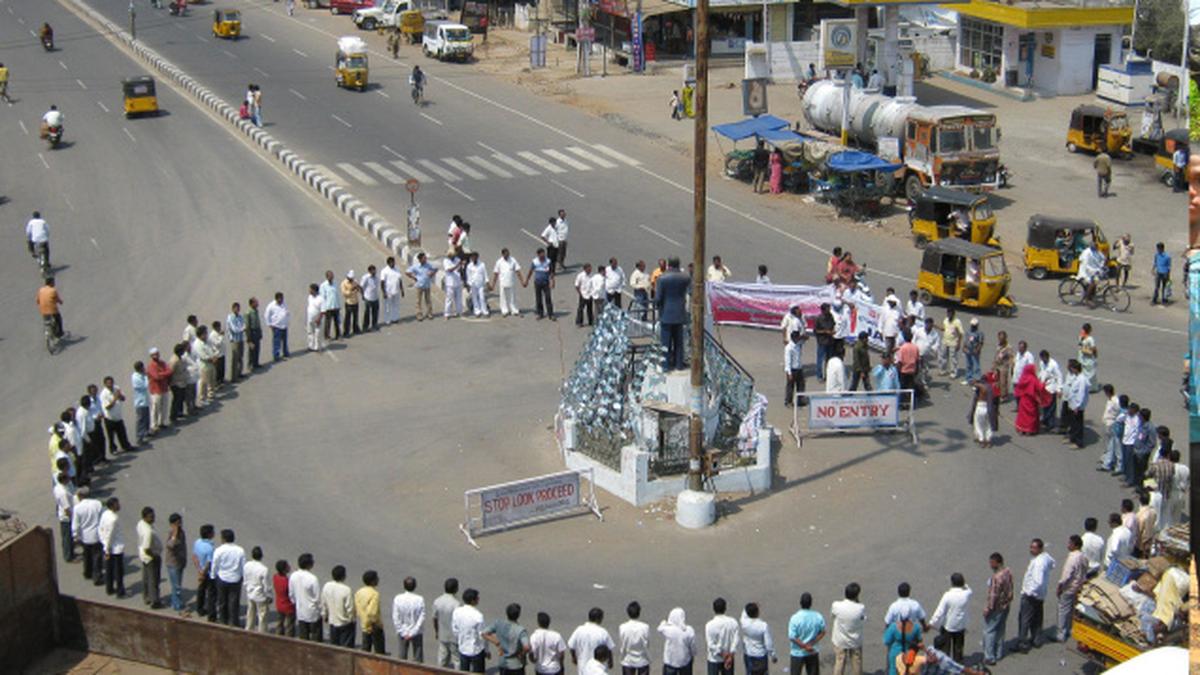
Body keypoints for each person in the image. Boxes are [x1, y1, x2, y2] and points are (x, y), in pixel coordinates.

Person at [1016, 538, 1056, 652]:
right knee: (1037, 619)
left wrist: (1028, 592)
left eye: (1034, 548)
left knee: (1024, 620)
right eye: (1031, 547)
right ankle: (1036, 640)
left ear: (1040, 549)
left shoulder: (1038, 563)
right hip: (1041, 595)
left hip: (1031, 596)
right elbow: (1053, 564)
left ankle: (1022, 643)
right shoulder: (1046, 557)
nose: (1031, 549)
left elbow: (1037, 582)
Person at [929, 574, 971, 663]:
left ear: (952, 583)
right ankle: (958, 664)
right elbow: (968, 588)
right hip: (960, 625)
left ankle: (945, 664)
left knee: (945, 648)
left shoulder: (948, 595)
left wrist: (932, 623)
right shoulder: (967, 594)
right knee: (958, 647)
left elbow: (940, 611)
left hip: (948, 625)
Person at [656, 258, 689, 370]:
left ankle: (665, 365)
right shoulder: (685, 277)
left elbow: (658, 298)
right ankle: (679, 364)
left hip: (666, 314)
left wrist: (658, 308)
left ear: (669, 265)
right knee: (679, 342)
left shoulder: (662, 278)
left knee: (665, 342)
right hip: (680, 313)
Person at [1055, 535, 1088, 642]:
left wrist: (1060, 586)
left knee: (1063, 610)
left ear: (1075, 545)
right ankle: (1069, 629)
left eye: (1070, 543)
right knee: (1071, 610)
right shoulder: (1083, 557)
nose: (1068, 545)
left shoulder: (1072, 558)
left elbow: (1066, 576)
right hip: (1078, 587)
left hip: (1069, 588)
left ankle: (1061, 634)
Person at [981, 552, 1013, 666]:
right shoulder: (1008, 571)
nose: (990, 565)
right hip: (1005, 605)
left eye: (992, 562)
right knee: (1000, 629)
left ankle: (989, 657)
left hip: (996, 608)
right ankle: (998, 653)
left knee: (989, 631)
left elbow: (993, 595)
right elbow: (1011, 587)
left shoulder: (996, 577)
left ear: (998, 563)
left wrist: (988, 609)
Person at [210, 529, 245, 627]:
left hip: (222, 578)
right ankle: (233, 622)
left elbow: (215, 564)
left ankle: (223, 621)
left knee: (222, 601)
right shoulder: (240, 550)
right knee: (234, 602)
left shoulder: (219, 550)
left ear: (224, 539)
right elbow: (243, 566)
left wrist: (213, 576)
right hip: (235, 579)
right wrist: (243, 577)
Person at [484, 603, 532, 675]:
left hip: (503, 663)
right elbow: (526, 647)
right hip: (517, 665)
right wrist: (522, 654)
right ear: (518, 615)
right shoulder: (521, 630)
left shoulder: (498, 623)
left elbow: (484, 633)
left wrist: (496, 642)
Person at [829, 584, 865, 675]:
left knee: (839, 661)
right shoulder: (860, 608)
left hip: (840, 639)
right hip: (855, 640)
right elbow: (863, 618)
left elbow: (832, 615)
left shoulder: (836, 605)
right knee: (856, 663)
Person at [786, 593, 825, 675]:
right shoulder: (818, 616)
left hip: (797, 652)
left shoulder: (795, 618)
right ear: (811, 603)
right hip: (812, 651)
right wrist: (811, 644)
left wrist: (804, 646)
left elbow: (792, 637)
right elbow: (822, 632)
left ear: (800, 603)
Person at [72, 486, 104, 585]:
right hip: (96, 535)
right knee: (97, 557)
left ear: (80, 496)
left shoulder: (77, 508)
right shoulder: (97, 504)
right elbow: (102, 518)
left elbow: (75, 524)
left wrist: (75, 536)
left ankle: (87, 573)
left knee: (87, 556)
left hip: (85, 536)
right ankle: (97, 576)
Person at [452, 588, 487, 672]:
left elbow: (455, 629)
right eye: (477, 598)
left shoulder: (457, 612)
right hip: (476, 650)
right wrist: (487, 649)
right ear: (472, 601)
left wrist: (460, 639)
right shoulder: (478, 616)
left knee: (464, 671)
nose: (478, 599)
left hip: (463, 648)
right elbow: (482, 635)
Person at [290, 553, 322, 641]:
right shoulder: (312, 579)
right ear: (309, 565)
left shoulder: (293, 576)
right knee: (315, 637)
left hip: (300, 612)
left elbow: (291, 594)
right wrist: (321, 611)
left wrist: (297, 603)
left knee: (303, 637)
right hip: (313, 613)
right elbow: (317, 598)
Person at [393, 576, 427, 661]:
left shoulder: (398, 599)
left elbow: (396, 617)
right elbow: (422, 617)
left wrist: (402, 631)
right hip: (417, 631)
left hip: (402, 631)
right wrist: (413, 632)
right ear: (415, 586)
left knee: (402, 656)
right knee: (418, 657)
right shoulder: (419, 599)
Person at [100, 376, 135, 455]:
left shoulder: (116, 388)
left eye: (111, 382)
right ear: (105, 384)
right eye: (108, 383)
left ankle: (126, 446)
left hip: (118, 416)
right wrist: (115, 399)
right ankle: (113, 449)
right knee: (111, 436)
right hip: (110, 418)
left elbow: (123, 399)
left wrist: (120, 396)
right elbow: (107, 407)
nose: (111, 384)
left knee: (122, 433)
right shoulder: (103, 394)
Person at [136, 506, 163, 609]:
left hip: (143, 556)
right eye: (151, 517)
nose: (153, 518)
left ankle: (146, 596)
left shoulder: (140, 524)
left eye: (153, 516)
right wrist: (154, 556)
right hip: (151, 556)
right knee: (154, 579)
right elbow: (147, 548)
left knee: (146, 578)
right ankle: (155, 601)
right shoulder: (148, 531)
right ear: (145, 517)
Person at [323, 565, 356, 647]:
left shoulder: (327, 586)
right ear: (344, 576)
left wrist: (325, 614)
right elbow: (350, 608)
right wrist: (351, 619)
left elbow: (324, 602)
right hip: (345, 623)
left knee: (334, 646)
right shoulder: (346, 590)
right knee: (346, 647)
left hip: (332, 621)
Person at [98, 497, 125, 597]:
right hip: (115, 548)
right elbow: (110, 535)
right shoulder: (114, 518)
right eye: (117, 504)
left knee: (109, 569)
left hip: (106, 545)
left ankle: (109, 588)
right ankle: (119, 590)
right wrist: (107, 548)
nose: (119, 505)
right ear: (112, 506)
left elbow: (101, 528)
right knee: (118, 570)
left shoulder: (105, 514)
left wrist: (103, 542)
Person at [738, 603, 775, 675]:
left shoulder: (744, 623)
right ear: (757, 612)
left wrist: (750, 606)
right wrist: (773, 655)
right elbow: (768, 643)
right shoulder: (763, 625)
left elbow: (744, 613)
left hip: (748, 653)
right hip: (760, 655)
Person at [704, 598, 738, 675]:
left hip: (714, 659)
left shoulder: (709, 625)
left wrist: (723, 654)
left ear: (713, 609)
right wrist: (730, 655)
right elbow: (735, 640)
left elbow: (710, 644)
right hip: (729, 658)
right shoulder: (733, 622)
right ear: (725, 608)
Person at [434, 578, 463, 667]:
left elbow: (434, 618)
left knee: (442, 658)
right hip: (454, 637)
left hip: (443, 634)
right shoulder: (457, 604)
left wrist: (436, 631)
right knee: (457, 659)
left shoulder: (437, 601)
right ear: (456, 589)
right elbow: (460, 622)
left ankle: (440, 672)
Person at [658, 608, 697, 675]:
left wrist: (664, 623)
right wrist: (693, 654)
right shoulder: (689, 630)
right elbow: (692, 646)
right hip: (685, 661)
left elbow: (660, 628)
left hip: (670, 662)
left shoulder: (668, 630)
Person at [1061, 359, 1089, 448]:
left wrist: (1077, 406)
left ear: (1076, 369)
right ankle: (1072, 437)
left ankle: (1078, 442)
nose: (1071, 370)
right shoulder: (1076, 377)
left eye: (1072, 368)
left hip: (1077, 407)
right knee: (1072, 423)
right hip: (1072, 404)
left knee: (1077, 424)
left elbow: (1081, 394)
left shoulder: (1082, 379)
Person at [357, 570, 385, 654]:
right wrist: (375, 623)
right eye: (376, 578)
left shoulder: (359, 592)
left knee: (365, 650)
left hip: (364, 624)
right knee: (379, 651)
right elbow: (372, 612)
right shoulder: (374, 594)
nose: (378, 580)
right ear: (372, 581)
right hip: (374, 626)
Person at [618, 601, 651, 675]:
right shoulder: (645, 627)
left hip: (628, 659)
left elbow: (622, 643)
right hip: (642, 659)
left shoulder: (622, 627)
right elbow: (647, 643)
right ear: (639, 612)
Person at [163, 513, 187, 614]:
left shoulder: (182, 533)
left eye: (180, 522)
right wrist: (175, 534)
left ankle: (176, 601)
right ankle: (177, 604)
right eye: (177, 523)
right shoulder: (172, 533)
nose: (180, 524)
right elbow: (170, 545)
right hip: (173, 563)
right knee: (176, 585)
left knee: (177, 584)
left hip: (180, 562)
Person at [243, 546, 271, 632]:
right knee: (262, 616)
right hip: (260, 595)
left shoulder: (247, 565)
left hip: (250, 593)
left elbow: (245, 578)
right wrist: (269, 596)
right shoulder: (264, 569)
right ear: (261, 556)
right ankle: (262, 632)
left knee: (250, 613)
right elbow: (266, 585)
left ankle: (248, 629)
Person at [525, 248, 555, 320]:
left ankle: (550, 314)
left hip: (546, 283)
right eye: (541, 255)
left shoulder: (548, 261)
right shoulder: (535, 262)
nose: (543, 256)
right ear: (538, 255)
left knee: (548, 298)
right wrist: (527, 280)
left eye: (544, 254)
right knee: (538, 299)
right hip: (537, 283)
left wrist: (553, 281)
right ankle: (540, 313)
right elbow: (530, 271)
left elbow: (551, 272)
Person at [492, 248, 523, 317]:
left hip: (511, 282)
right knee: (503, 297)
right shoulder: (499, 262)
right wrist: (493, 284)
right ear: (502, 254)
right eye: (506, 254)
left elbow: (518, 270)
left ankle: (514, 310)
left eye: (508, 254)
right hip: (503, 282)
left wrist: (522, 281)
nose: (507, 255)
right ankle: (504, 311)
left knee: (512, 297)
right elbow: (496, 273)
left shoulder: (513, 260)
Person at [968, 377, 997, 447]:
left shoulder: (981, 386)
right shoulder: (991, 388)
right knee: (989, 424)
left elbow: (971, 383)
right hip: (989, 408)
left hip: (980, 406)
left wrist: (976, 381)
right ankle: (988, 440)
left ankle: (981, 440)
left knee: (978, 424)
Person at [264, 292, 290, 361]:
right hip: (276, 327)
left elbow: (286, 312)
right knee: (276, 342)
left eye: (282, 298)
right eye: (280, 299)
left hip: (284, 325)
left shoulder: (284, 304)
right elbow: (266, 315)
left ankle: (285, 353)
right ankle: (276, 355)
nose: (282, 300)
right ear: (276, 299)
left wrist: (287, 320)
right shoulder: (271, 306)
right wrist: (269, 324)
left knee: (285, 341)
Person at [36, 276, 64, 341]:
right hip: (52, 310)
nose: (54, 283)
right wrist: (61, 302)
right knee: (58, 319)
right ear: (51, 283)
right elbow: (58, 300)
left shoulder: (41, 290)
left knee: (46, 321)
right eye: (53, 282)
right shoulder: (53, 290)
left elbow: (37, 301)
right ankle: (60, 332)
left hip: (43, 310)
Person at [274, 560, 297, 637]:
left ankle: (278, 637)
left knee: (279, 623)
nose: (289, 567)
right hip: (288, 606)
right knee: (289, 626)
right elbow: (291, 593)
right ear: (284, 570)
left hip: (279, 604)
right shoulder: (287, 582)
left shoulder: (275, 577)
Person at [940, 309, 964, 379]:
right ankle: (943, 370)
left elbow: (961, 333)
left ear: (953, 314)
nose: (949, 315)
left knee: (953, 358)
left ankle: (953, 373)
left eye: (950, 314)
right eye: (948, 313)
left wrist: (959, 343)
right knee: (943, 356)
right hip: (945, 341)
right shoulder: (945, 320)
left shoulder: (957, 322)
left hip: (953, 343)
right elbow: (944, 328)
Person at [380, 257, 405, 324]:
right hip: (388, 291)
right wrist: (384, 292)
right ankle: (387, 319)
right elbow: (382, 282)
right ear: (388, 263)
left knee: (396, 305)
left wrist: (402, 290)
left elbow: (400, 280)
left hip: (396, 290)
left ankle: (395, 318)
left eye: (393, 262)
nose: (393, 264)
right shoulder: (384, 271)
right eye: (391, 263)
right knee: (387, 306)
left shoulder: (397, 269)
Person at [785, 330, 806, 408]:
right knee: (790, 386)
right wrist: (789, 373)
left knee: (801, 385)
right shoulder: (789, 348)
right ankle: (788, 401)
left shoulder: (798, 344)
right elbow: (788, 361)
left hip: (799, 368)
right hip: (792, 369)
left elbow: (805, 339)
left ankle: (800, 400)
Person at [466, 253, 490, 317]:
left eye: (475, 257)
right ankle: (477, 311)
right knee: (474, 298)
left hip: (480, 284)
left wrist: (487, 283)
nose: (474, 259)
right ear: (471, 258)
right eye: (472, 258)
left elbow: (485, 274)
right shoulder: (469, 266)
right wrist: (468, 285)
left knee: (482, 298)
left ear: (477, 257)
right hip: (473, 285)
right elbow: (468, 276)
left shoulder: (482, 264)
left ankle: (484, 311)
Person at [226, 303, 245, 381]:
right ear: (233, 309)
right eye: (236, 308)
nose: (237, 310)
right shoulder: (230, 317)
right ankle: (233, 377)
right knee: (235, 358)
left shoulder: (240, 317)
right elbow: (234, 329)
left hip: (241, 339)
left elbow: (244, 324)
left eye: (238, 308)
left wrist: (242, 328)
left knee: (240, 357)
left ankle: (239, 373)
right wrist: (242, 329)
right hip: (234, 340)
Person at [442, 255, 465, 319]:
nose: (452, 257)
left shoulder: (457, 259)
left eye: (453, 256)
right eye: (451, 256)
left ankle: (459, 312)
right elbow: (449, 270)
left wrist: (462, 265)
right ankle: (447, 314)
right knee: (449, 299)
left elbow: (460, 270)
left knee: (459, 298)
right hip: (450, 283)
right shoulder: (446, 261)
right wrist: (458, 265)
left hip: (458, 282)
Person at [341, 271, 362, 335]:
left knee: (356, 316)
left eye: (352, 278)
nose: (351, 280)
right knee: (348, 318)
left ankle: (356, 329)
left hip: (355, 301)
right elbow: (344, 294)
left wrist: (358, 288)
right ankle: (346, 331)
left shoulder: (355, 281)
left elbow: (358, 289)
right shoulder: (344, 283)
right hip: (349, 302)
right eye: (350, 278)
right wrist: (351, 290)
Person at [245, 297, 263, 369]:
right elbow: (247, 326)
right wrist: (249, 338)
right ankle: (250, 364)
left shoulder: (256, 311)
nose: (257, 304)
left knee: (257, 349)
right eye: (256, 302)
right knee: (252, 349)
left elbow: (258, 322)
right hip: (252, 332)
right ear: (251, 304)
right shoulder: (248, 313)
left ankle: (256, 363)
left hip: (257, 331)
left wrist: (260, 332)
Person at [360, 267, 381, 331]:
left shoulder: (377, 277)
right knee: (367, 313)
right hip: (368, 297)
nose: (374, 272)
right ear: (369, 271)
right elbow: (361, 287)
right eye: (372, 271)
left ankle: (374, 324)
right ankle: (365, 326)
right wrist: (363, 295)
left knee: (375, 312)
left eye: (375, 271)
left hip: (375, 297)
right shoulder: (365, 277)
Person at [305, 284, 323, 352]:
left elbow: (323, 311)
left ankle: (317, 347)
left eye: (310, 289)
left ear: (314, 290)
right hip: (310, 318)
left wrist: (319, 319)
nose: (309, 290)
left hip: (317, 319)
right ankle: (310, 346)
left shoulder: (320, 299)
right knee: (310, 332)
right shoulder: (310, 297)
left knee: (317, 333)